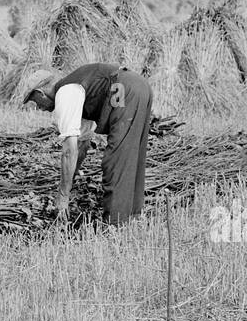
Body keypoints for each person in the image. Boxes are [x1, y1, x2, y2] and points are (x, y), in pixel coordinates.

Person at [19, 63, 153, 225]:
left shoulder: (65, 93)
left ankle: (116, 224)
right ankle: (134, 215)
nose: (39, 108)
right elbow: (81, 145)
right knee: (133, 155)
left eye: (35, 101)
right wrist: (70, 181)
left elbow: (69, 151)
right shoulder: (78, 90)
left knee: (115, 161)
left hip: (124, 90)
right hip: (140, 86)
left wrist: (63, 196)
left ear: (40, 92)